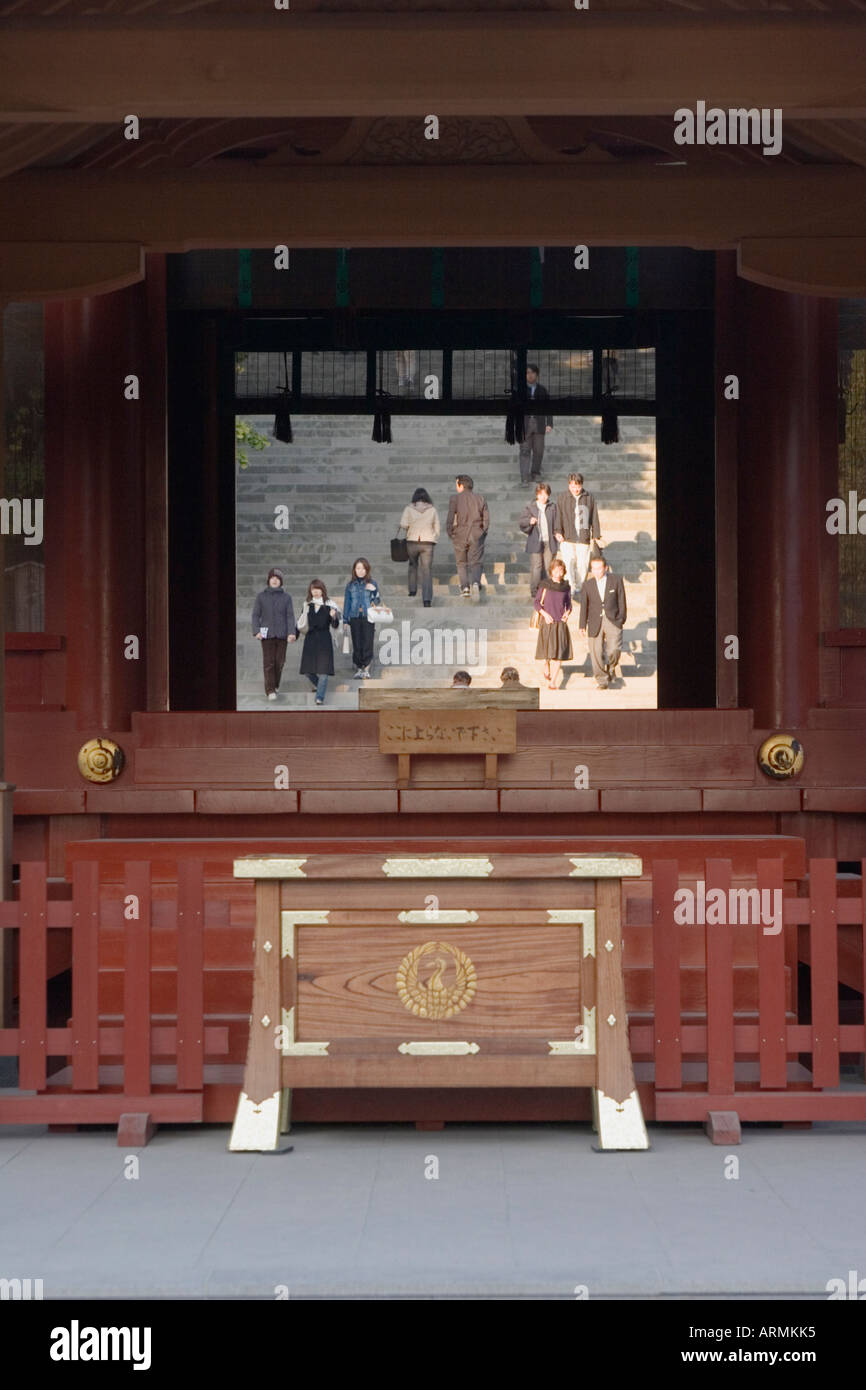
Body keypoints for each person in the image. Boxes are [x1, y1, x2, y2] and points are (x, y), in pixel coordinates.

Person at [578, 554, 627, 690]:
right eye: (594, 569)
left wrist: (621, 618)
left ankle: (611, 667)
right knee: (595, 652)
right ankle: (602, 680)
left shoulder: (616, 580)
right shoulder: (587, 585)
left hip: (613, 619)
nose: (597, 571)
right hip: (594, 621)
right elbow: (584, 606)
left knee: (614, 650)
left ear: (605, 568)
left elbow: (622, 600)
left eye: (599, 568)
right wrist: (582, 625)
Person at [553, 473, 603, 597]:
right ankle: (571, 586)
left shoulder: (588, 497)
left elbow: (594, 517)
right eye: (573, 486)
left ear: (581, 485)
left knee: (583, 563)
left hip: (583, 536)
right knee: (569, 562)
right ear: (569, 485)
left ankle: (580, 586)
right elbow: (558, 516)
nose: (575, 489)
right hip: (567, 536)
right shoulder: (562, 498)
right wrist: (558, 531)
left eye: (578, 486)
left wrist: (596, 534)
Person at [251, 567, 296, 702]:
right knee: (269, 663)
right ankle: (270, 689)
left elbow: (290, 616)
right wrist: (256, 631)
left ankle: (275, 684)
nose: (275, 580)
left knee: (280, 662)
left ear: (281, 582)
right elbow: (255, 615)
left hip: (282, 635)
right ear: (269, 580)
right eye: (273, 578)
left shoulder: (287, 597)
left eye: (278, 578)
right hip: (267, 635)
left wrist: (291, 633)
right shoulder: (261, 597)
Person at [296, 578, 341, 705]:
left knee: (324, 671)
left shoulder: (330, 605)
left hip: (324, 639)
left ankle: (319, 696)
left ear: (322, 590)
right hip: (310, 639)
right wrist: (294, 635)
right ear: (310, 591)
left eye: (318, 589)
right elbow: (301, 621)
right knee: (308, 671)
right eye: (313, 589)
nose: (315, 592)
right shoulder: (307, 605)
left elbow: (336, 625)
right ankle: (320, 686)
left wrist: (333, 616)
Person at [446, 474, 489, 603]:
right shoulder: (480, 498)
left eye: (456, 484)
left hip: (460, 533)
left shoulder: (455, 498)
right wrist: (482, 532)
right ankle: (475, 583)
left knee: (461, 562)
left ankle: (465, 587)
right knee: (476, 561)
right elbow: (486, 519)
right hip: (476, 533)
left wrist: (450, 532)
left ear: (461, 485)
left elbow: (450, 518)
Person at [397, 487, 441, 607]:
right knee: (427, 571)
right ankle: (427, 599)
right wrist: (434, 536)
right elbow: (437, 526)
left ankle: (412, 591)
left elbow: (404, 524)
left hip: (412, 541)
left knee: (413, 566)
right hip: (427, 543)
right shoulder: (432, 510)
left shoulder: (409, 509)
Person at [534, 556, 573, 690]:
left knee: (559, 653)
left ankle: (553, 682)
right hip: (548, 622)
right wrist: (544, 615)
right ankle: (546, 664)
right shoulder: (545, 585)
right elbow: (536, 602)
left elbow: (569, 604)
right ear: (551, 571)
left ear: (564, 572)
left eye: (561, 570)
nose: (558, 573)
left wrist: (568, 613)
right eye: (555, 570)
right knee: (548, 652)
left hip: (560, 623)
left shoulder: (566, 587)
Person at [343, 557, 381, 679]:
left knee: (367, 642)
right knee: (357, 642)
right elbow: (347, 602)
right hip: (354, 617)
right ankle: (359, 667)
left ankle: (367, 668)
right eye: (358, 568)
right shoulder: (350, 585)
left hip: (368, 616)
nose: (361, 571)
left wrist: (373, 591)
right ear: (354, 570)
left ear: (367, 570)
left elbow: (377, 600)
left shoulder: (372, 583)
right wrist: (345, 619)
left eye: (363, 568)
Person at [519, 482, 558, 596]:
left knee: (548, 566)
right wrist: (529, 521)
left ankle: (548, 589)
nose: (543, 497)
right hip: (535, 541)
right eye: (541, 494)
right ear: (537, 495)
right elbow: (521, 522)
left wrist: (558, 533)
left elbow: (557, 522)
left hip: (549, 541)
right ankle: (535, 590)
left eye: (546, 494)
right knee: (537, 566)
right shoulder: (530, 507)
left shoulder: (552, 507)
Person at [519, 363, 553, 485]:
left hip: (539, 423)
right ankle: (524, 477)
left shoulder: (542, 390)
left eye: (533, 373)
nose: (530, 375)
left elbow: (548, 407)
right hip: (524, 423)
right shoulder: (520, 389)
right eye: (527, 373)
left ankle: (535, 472)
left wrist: (549, 423)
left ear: (537, 375)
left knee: (539, 450)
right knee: (524, 450)